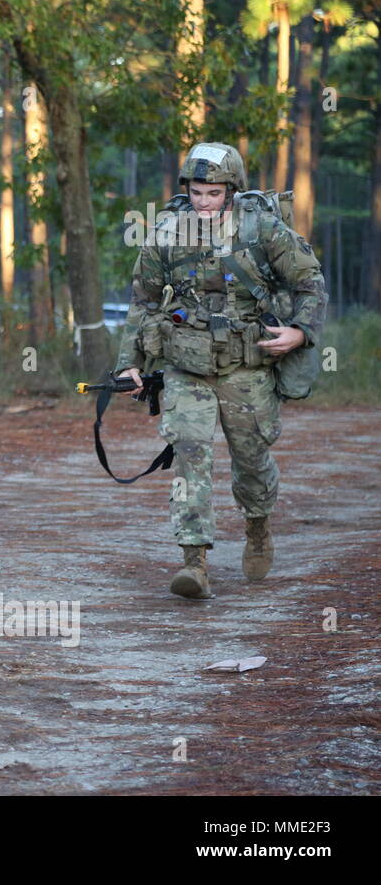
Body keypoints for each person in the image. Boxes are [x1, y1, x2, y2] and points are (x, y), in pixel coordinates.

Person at [114, 142, 327, 599]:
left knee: (251, 460)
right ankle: (195, 563)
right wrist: (129, 365)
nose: (204, 201)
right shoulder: (167, 233)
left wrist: (300, 332)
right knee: (190, 457)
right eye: (196, 192)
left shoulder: (262, 229)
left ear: (232, 190)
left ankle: (257, 527)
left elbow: (310, 282)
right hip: (186, 367)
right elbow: (144, 302)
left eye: (213, 193)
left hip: (246, 367)